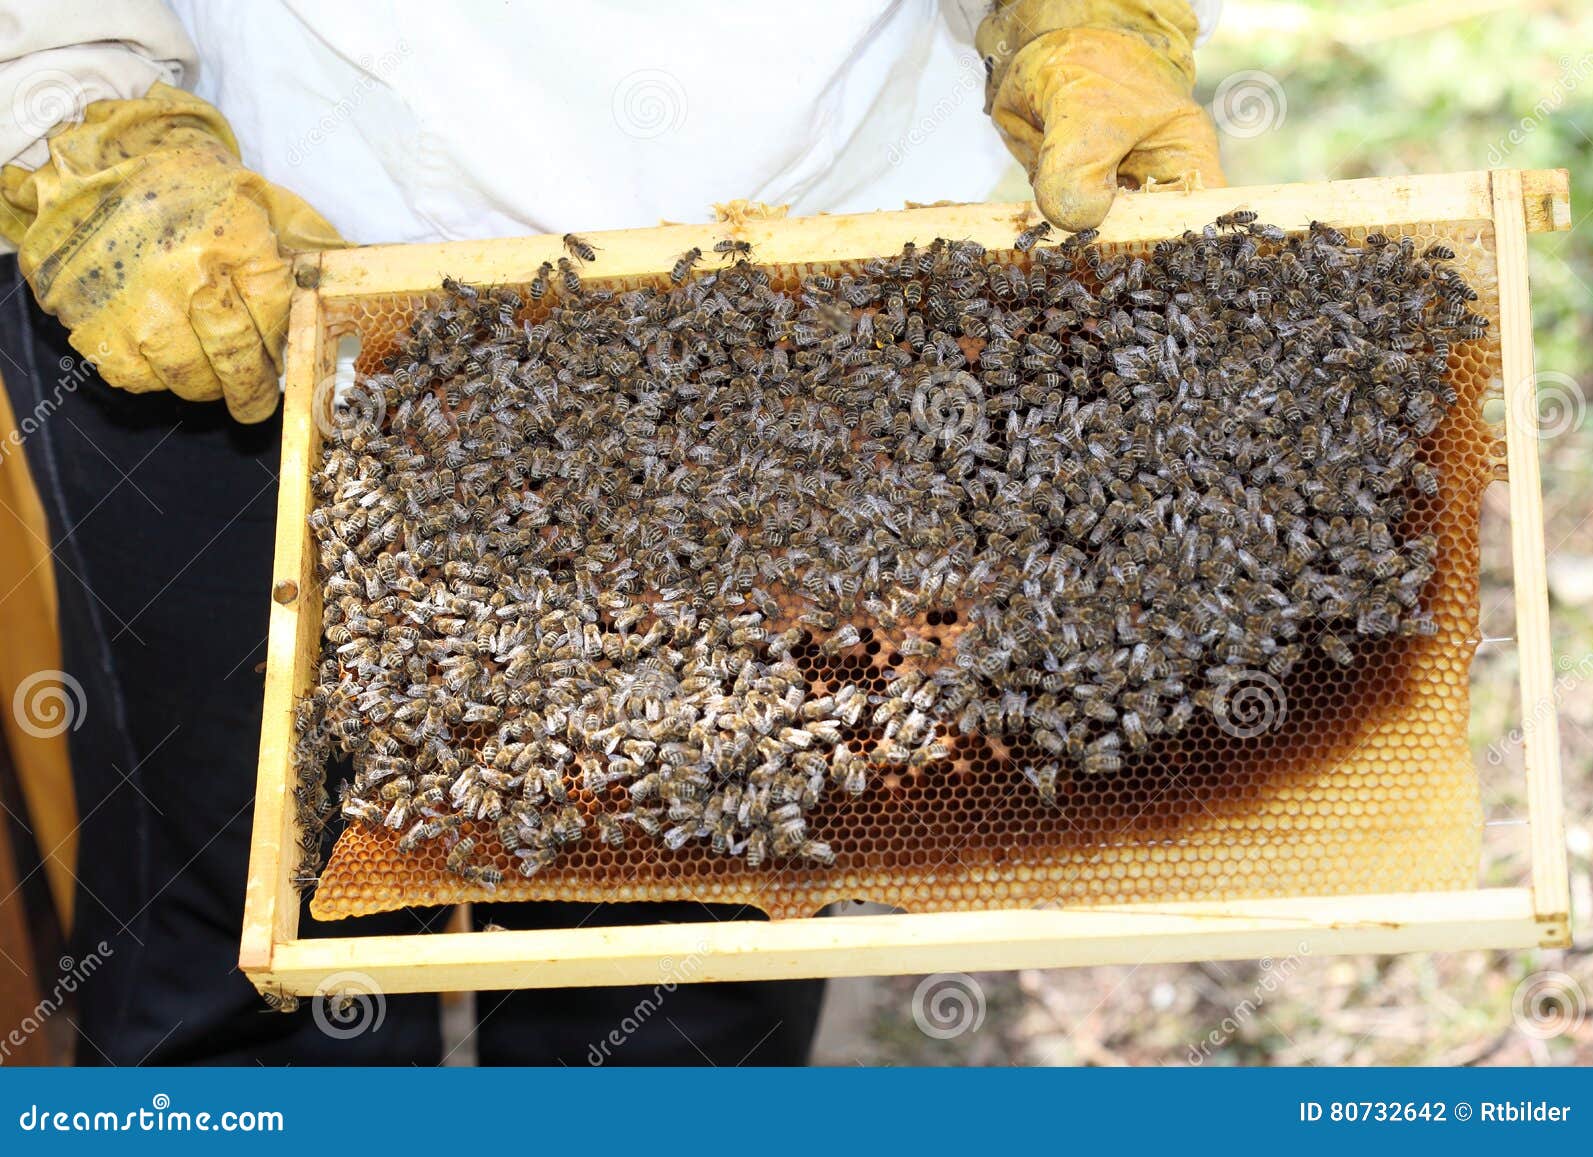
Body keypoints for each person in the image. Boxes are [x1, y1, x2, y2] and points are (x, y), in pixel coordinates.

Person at [0, 0, 1224, 1065]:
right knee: (246, 926)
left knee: (689, 937)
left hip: (803, 290)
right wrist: (72, 103)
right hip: (253, 249)